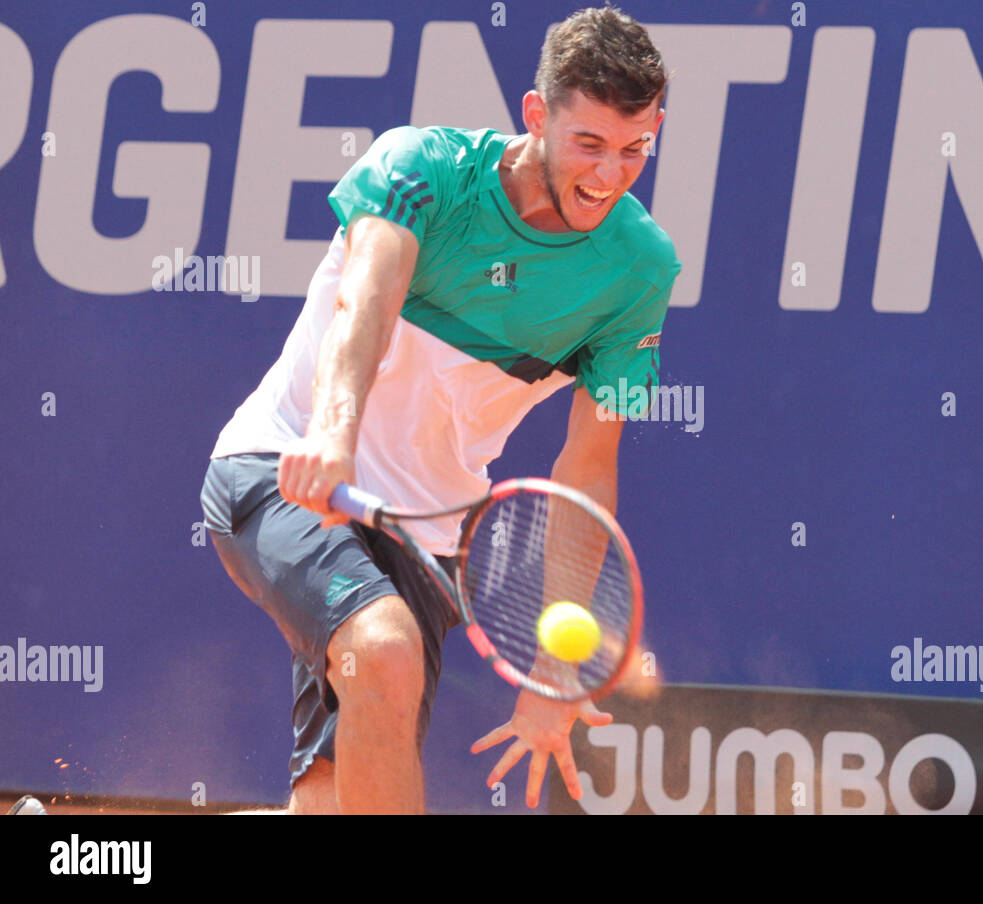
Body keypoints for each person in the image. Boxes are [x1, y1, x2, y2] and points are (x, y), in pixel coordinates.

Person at [199, 5, 679, 813]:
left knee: (327, 806)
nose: (609, 174)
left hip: (418, 535)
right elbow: (368, 302)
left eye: (635, 149)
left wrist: (555, 667)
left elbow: (587, 468)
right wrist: (333, 434)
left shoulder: (640, 269)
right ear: (536, 115)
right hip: (284, 465)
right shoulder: (425, 167)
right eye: (588, 144)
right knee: (385, 649)